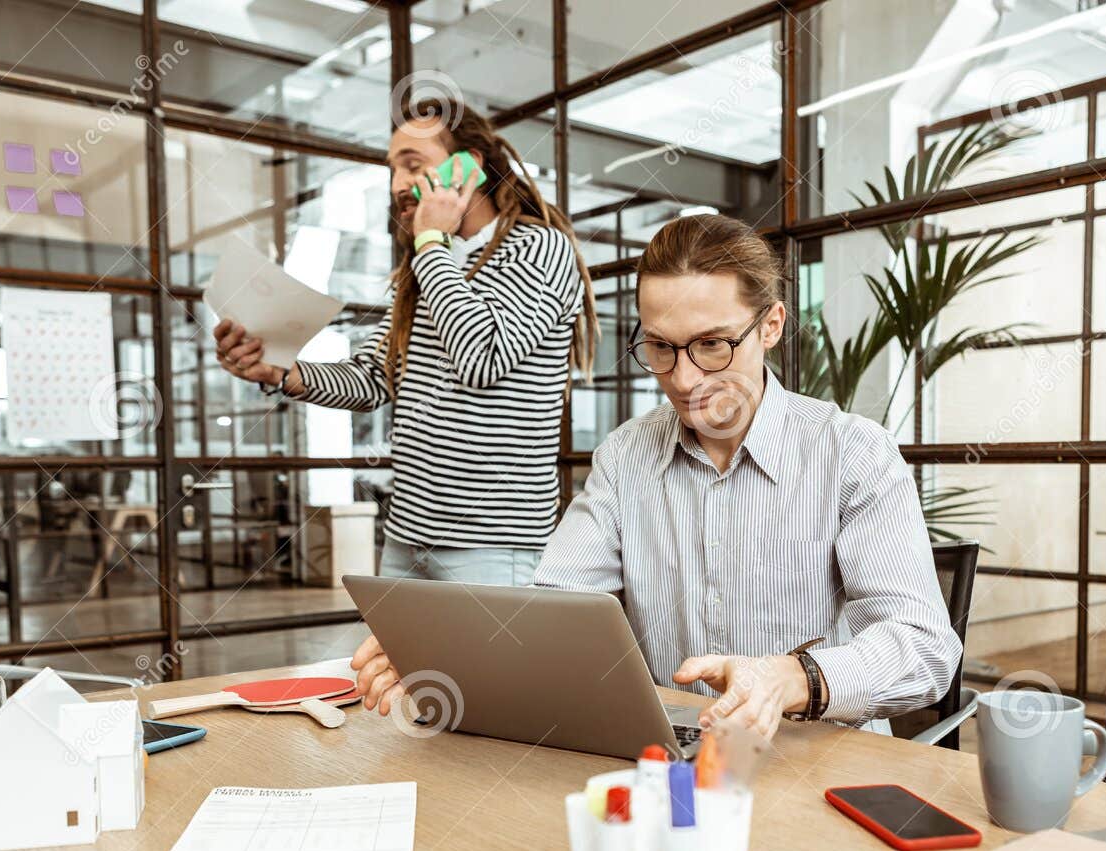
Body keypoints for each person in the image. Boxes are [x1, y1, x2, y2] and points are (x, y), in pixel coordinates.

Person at [352, 212, 961, 739]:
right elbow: (553, 607)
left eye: (713, 345)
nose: (686, 379)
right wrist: (448, 651)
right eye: (661, 348)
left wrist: (789, 679)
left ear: (771, 326)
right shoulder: (625, 457)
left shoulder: (852, 453)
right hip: (671, 760)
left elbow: (926, 648)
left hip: (818, 756)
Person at [212, 99, 596, 586]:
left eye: (413, 165)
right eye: (392, 168)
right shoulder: (424, 267)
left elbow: (483, 358)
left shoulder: (538, 249)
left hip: (493, 545)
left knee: (486, 667)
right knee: (404, 668)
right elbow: (375, 378)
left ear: (467, 168)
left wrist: (432, 244)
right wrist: (279, 373)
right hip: (406, 538)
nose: (396, 184)